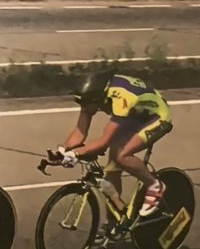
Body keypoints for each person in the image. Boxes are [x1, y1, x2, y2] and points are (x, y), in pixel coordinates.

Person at [56, 71, 172, 217]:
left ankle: (154, 185)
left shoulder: (121, 98)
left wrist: (76, 153)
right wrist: (61, 152)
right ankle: (117, 220)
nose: (83, 107)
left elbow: (104, 141)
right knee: (110, 173)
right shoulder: (93, 96)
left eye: (85, 103)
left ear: (97, 99)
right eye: (80, 103)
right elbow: (80, 133)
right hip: (134, 115)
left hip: (156, 117)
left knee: (121, 155)